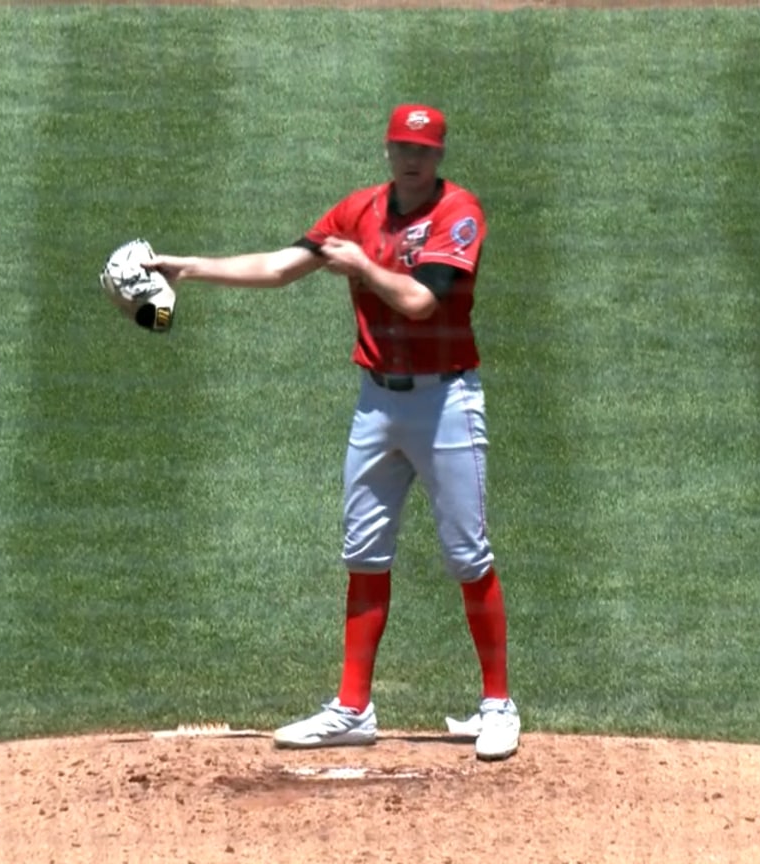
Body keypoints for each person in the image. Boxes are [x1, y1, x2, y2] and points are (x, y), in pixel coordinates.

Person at [144, 104, 518, 761]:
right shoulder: (358, 211)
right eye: (403, 146)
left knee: (467, 554)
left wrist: (363, 268)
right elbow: (280, 266)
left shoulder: (459, 212)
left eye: (424, 150)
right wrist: (187, 267)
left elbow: (422, 301)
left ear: (440, 157)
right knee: (364, 551)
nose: (412, 159)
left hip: (447, 403)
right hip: (378, 403)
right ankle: (352, 708)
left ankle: (498, 705)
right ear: (388, 148)